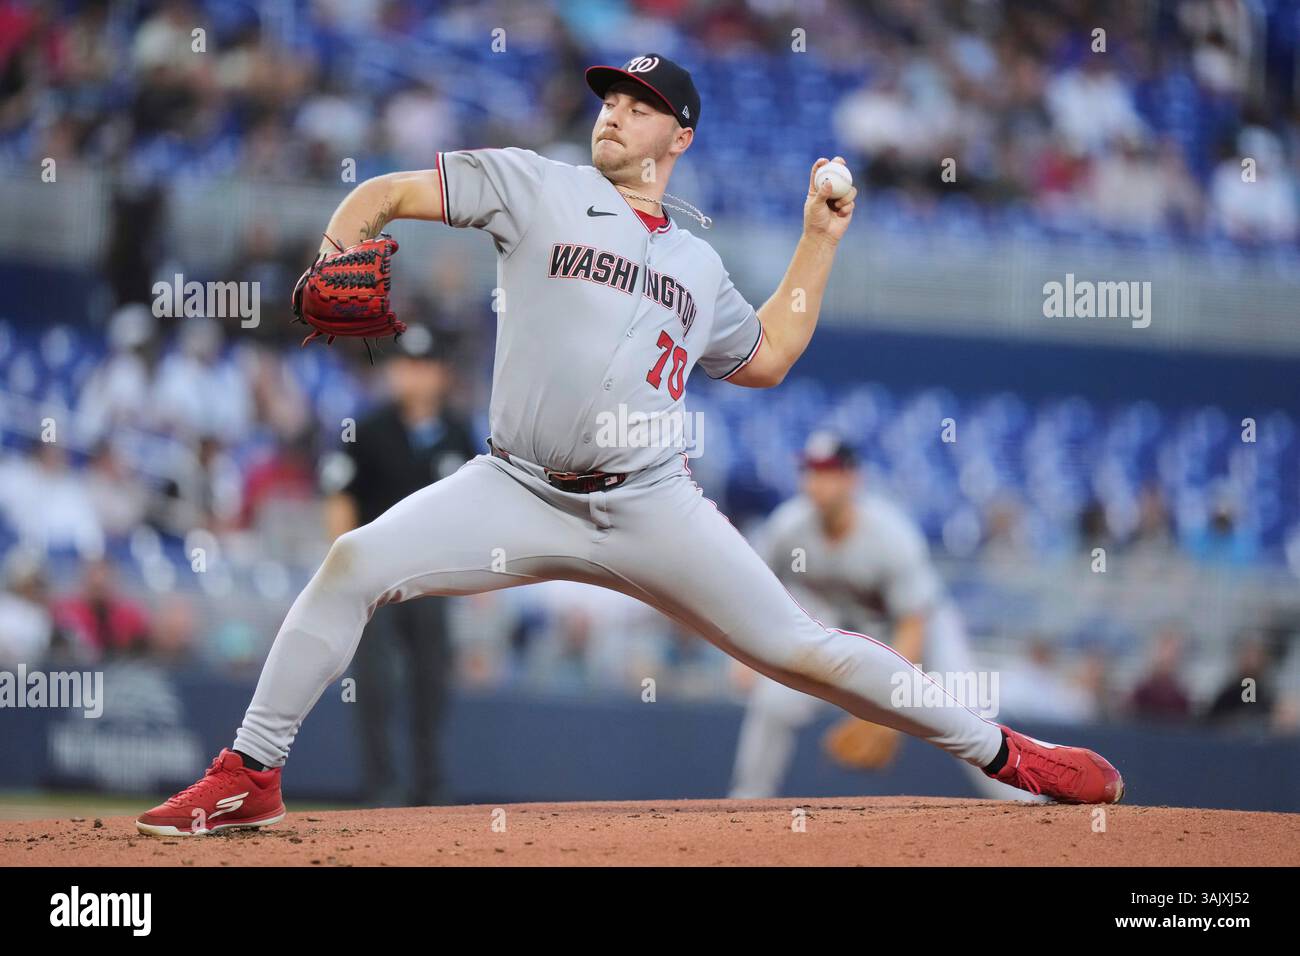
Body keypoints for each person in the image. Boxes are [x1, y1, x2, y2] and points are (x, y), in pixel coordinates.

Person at [137, 53, 1122, 837]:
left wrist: (818, 241)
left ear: (680, 135)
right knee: (351, 562)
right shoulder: (534, 185)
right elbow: (387, 193)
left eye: (640, 104)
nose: (613, 111)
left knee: (800, 650)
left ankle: (1007, 753)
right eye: (609, 95)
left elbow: (770, 351)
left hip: (651, 500)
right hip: (515, 485)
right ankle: (249, 774)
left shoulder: (697, 262)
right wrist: (332, 251)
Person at [729, 432, 1033, 801]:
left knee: (970, 714)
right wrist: (746, 652)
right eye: (810, 471)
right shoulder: (788, 526)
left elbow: (913, 623)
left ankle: (1023, 801)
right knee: (772, 702)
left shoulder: (889, 535)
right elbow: (756, 584)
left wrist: (890, 708)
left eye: (828, 471)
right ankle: (747, 798)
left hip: (925, 629)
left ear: (852, 478)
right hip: (849, 629)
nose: (817, 481)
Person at [318, 323, 477, 806]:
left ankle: (430, 788)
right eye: (406, 365)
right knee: (377, 686)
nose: (414, 375)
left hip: (433, 579)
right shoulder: (368, 430)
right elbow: (340, 497)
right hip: (378, 580)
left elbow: (476, 506)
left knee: (432, 685)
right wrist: (345, 566)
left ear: (441, 374)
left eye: (424, 365)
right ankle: (380, 789)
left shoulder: (457, 432)